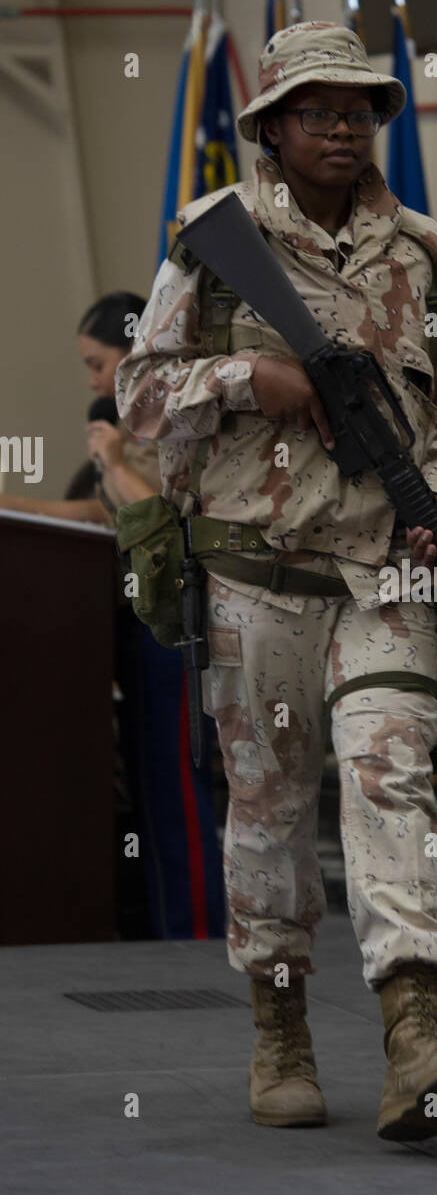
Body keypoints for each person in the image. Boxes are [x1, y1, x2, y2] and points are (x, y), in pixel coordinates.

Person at [117, 21, 437, 1142]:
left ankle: (413, 1035)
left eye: (358, 110)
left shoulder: (417, 252)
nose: (340, 127)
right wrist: (250, 375)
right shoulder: (211, 243)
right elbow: (138, 396)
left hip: (380, 578)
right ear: (272, 128)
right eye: (316, 110)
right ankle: (279, 1032)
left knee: (392, 786)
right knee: (270, 815)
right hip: (252, 579)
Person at [0, 292, 225, 941]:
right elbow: (99, 517)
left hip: (175, 629)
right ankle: (164, 933)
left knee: (179, 798)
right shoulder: (130, 422)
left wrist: (115, 462)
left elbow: (166, 517)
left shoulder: (176, 410)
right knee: (154, 800)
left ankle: (196, 936)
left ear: (132, 350)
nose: (94, 381)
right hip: (132, 622)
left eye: (98, 364)